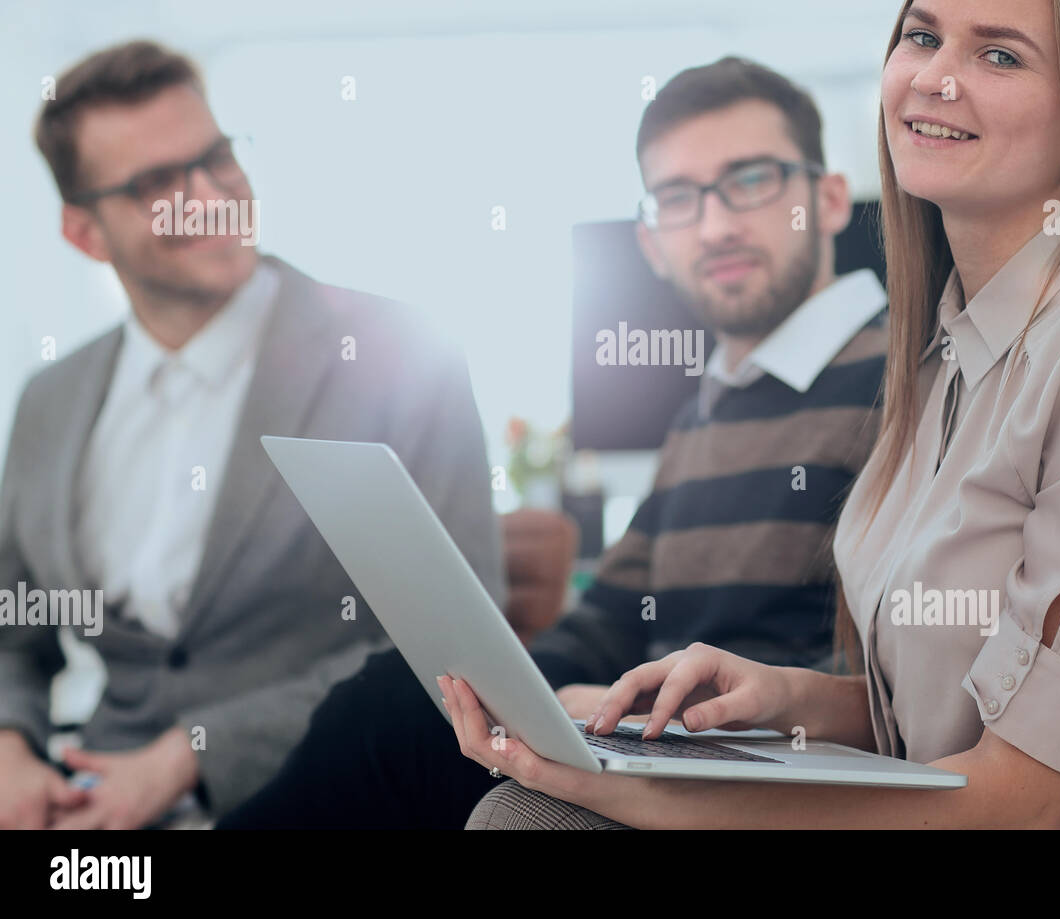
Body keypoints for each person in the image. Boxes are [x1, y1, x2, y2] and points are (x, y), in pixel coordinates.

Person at [450, 0, 1060, 830]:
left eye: (999, 54)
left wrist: (648, 793)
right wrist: (781, 697)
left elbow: (1018, 798)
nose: (935, 79)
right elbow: (949, 720)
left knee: (531, 819)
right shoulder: (948, 360)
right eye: (921, 37)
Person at [218, 56, 890, 828]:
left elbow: (896, 682)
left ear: (830, 198)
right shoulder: (708, 409)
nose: (714, 224)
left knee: (386, 722)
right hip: (660, 745)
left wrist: (664, 715)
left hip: (764, 770)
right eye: (678, 198)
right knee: (402, 698)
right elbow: (607, 617)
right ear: (650, 242)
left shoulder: (904, 382)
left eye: (750, 181)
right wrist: (527, 689)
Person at [0, 40, 504, 829]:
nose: (208, 197)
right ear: (84, 233)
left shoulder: (399, 355)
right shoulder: (49, 402)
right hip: (90, 803)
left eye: (217, 157)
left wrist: (190, 755)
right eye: (158, 183)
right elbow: (15, 623)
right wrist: (9, 748)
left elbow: (452, 653)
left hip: (323, 792)